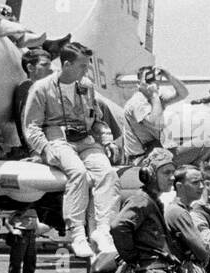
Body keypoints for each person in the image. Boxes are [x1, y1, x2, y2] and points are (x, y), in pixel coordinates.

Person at [23, 42, 120, 257]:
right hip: (58, 139)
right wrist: (44, 149)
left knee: (108, 174)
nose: (85, 71)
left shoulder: (86, 86)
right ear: (67, 64)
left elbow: (98, 120)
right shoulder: (41, 88)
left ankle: (103, 231)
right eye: (82, 66)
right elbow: (31, 126)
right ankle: (76, 233)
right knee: (79, 175)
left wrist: (107, 141)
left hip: (86, 140)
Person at [122, 66, 189, 163]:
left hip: (155, 152)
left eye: (154, 78)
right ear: (139, 83)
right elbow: (156, 124)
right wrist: (154, 95)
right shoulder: (137, 102)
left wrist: (168, 75)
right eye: (148, 78)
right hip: (142, 158)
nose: (152, 81)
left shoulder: (155, 99)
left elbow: (183, 94)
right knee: (202, 147)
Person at [11, 48, 53, 158]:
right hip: (41, 150)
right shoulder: (28, 88)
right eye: (44, 65)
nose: (50, 70)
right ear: (30, 68)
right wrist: (35, 152)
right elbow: (28, 124)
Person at [4, 208, 41, 273]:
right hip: (21, 234)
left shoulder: (35, 206)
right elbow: (6, 220)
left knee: (31, 262)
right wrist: (13, 231)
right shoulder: (20, 204)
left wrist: (37, 230)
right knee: (16, 262)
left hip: (31, 234)